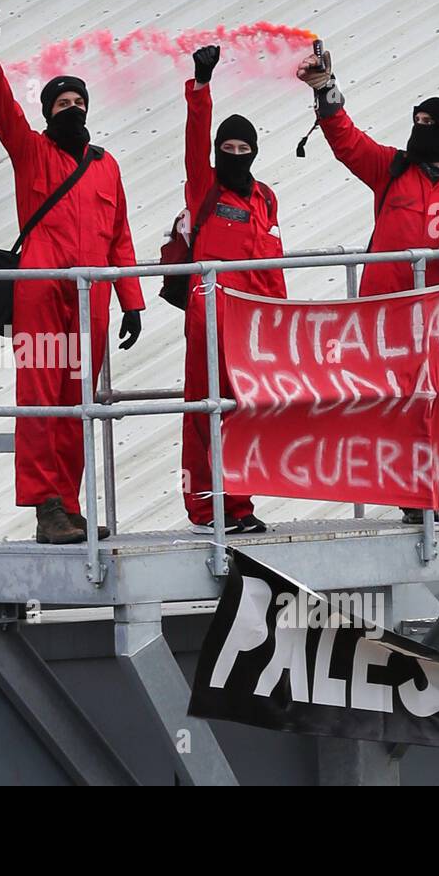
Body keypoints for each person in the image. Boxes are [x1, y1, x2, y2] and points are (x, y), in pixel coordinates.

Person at [297, 45, 439, 522]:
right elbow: (348, 142)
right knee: (393, 406)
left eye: (429, 123)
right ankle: (413, 496)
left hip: (435, 321)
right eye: (417, 121)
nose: (419, 129)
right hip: (383, 319)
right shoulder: (392, 168)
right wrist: (325, 90)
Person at [0, 13, 146, 545]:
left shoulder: (106, 165)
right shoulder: (32, 152)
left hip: (91, 301)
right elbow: (5, 114)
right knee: (41, 401)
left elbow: (120, 236)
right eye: (62, 103)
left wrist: (131, 301)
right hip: (42, 293)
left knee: (77, 406)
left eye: (78, 102)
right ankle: (46, 507)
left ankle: (68, 506)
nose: (73, 109)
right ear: (48, 112)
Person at [180, 45, 287, 534]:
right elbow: (195, 138)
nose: (236, 157)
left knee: (246, 410)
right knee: (206, 410)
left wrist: (283, 321)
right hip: (211, 314)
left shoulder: (266, 197)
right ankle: (207, 509)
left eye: (245, 151)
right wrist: (201, 86)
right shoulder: (204, 187)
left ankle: (239, 505)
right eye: (229, 149)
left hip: (255, 323)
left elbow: (273, 267)